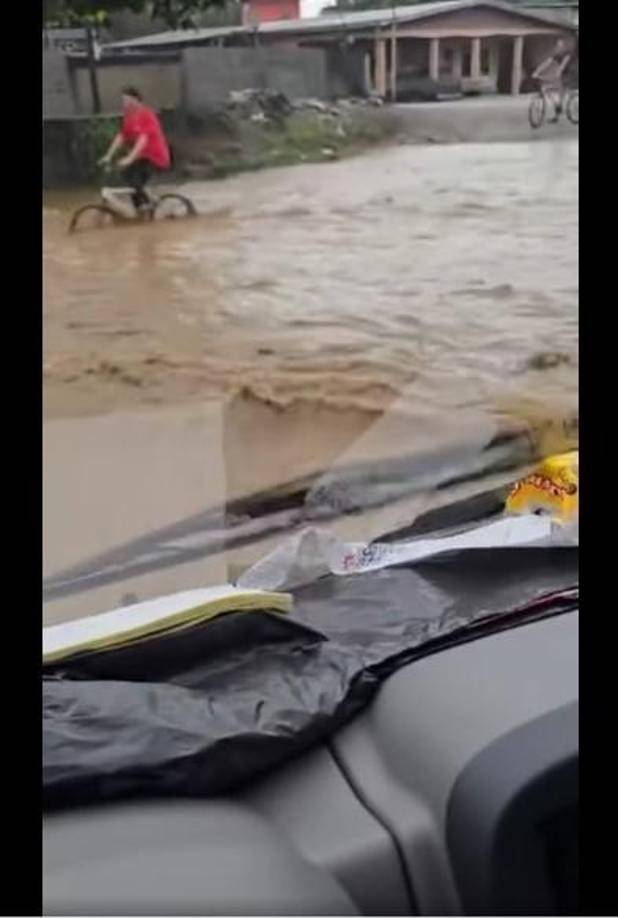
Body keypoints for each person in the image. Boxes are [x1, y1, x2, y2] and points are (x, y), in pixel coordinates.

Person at [99, 87, 171, 218]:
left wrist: (130, 158)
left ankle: (147, 205)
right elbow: (121, 136)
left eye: (127, 100)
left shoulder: (146, 114)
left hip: (156, 158)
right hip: (142, 157)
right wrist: (108, 155)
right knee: (128, 176)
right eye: (123, 100)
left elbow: (144, 139)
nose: (125, 103)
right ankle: (141, 210)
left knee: (131, 173)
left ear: (136, 100)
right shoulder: (129, 117)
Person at [532, 39, 572, 123]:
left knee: (561, 90)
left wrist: (559, 71)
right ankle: (557, 112)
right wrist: (537, 71)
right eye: (557, 46)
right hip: (560, 74)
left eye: (561, 46)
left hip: (569, 74)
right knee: (548, 89)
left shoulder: (567, 54)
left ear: (564, 46)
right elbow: (546, 63)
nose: (559, 47)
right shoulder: (556, 56)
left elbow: (563, 64)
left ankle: (559, 109)